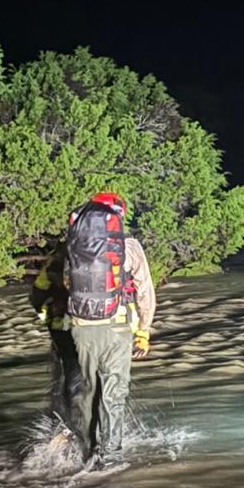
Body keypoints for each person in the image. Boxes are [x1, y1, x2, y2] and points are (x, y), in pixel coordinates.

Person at [64, 192, 155, 468]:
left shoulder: (73, 245)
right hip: (117, 328)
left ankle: (88, 453)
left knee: (89, 390)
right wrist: (144, 331)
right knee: (113, 393)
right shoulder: (129, 246)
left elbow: (65, 283)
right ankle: (111, 457)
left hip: (81, 329)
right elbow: (145, 290)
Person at [29, 241, 86, 448]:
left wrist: (48, 320)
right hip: (86, 327)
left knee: (63, 376)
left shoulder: (54, 262)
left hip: (60, 327)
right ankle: (78, 427)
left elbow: (36, 296)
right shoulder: (92, 258)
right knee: (78, 377)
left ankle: (61, 423)